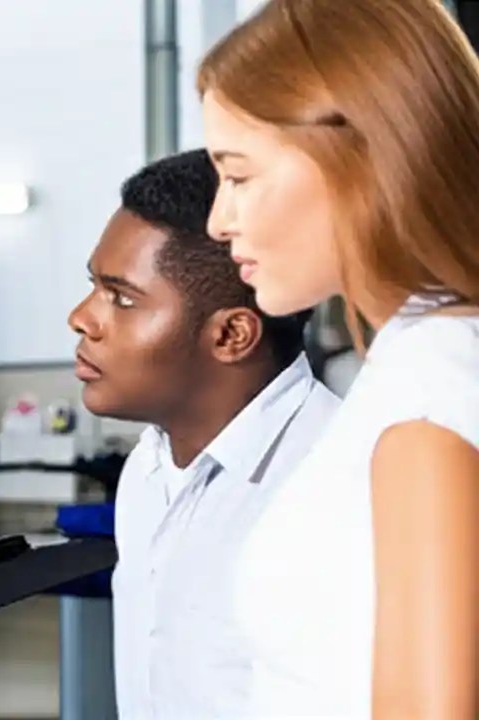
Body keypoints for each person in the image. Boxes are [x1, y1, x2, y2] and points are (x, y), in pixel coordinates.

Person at [197, 0, 479, 716]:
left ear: (357, 156)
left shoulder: (426, 400)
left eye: (238, 176)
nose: (218, 221)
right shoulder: (413, 370)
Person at [67, 148, 339, 719]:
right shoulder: (148, 471)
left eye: (121, 297)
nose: (81, 318)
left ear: (231, 335)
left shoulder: (342, 484)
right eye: (94, 285)